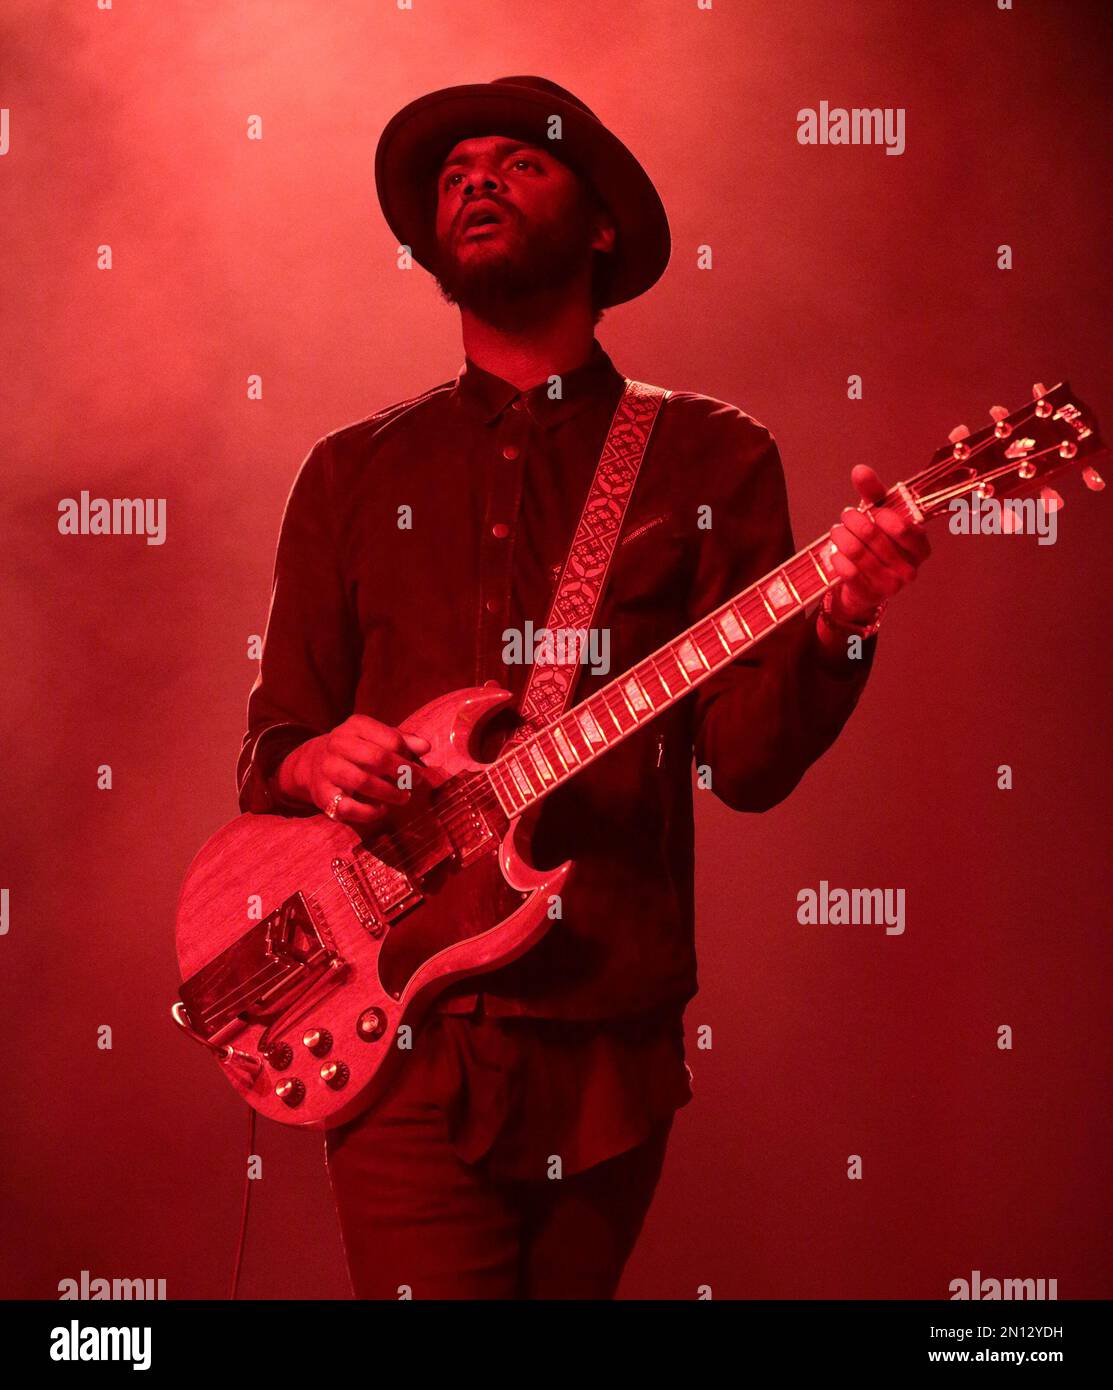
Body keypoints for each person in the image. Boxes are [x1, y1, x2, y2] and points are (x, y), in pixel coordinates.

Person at [236, 75, 931, 1299]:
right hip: (397, 1028)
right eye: (454, 176)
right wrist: (309, 761)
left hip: (607, 1042)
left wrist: (840, 619)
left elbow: (749, 766)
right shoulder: (349, 473)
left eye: (518, 161)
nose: (477, 182)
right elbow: (270, 745)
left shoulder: (713, 456)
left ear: (603, 225)